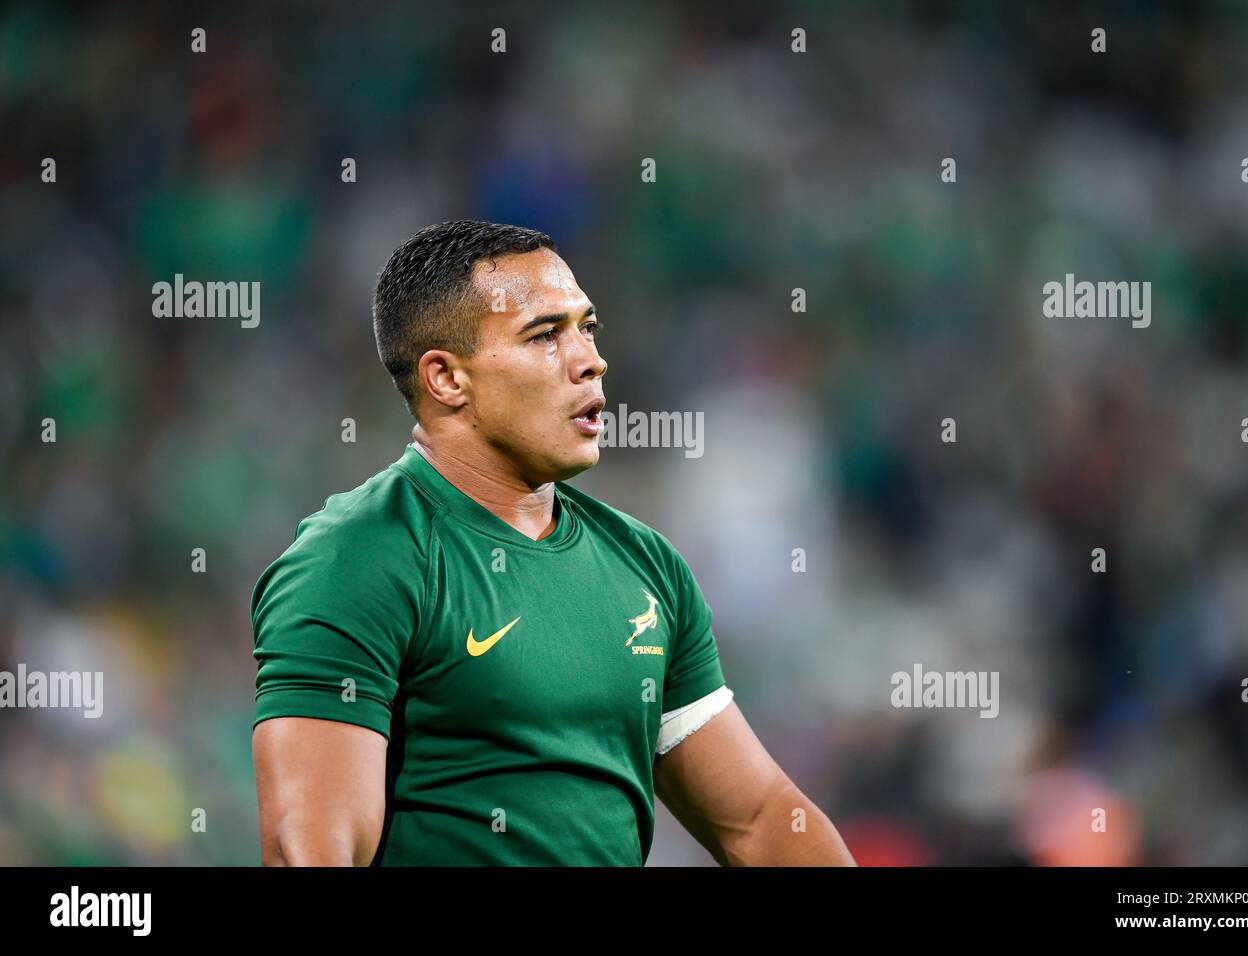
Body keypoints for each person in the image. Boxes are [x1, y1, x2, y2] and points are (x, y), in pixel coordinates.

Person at [250, 219, 855, 866]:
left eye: (587, 328)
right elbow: (309, 847)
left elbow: (758, 820)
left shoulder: (645, 568)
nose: (591, 359)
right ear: (447, 379)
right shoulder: (360, 557)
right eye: (544, 335)